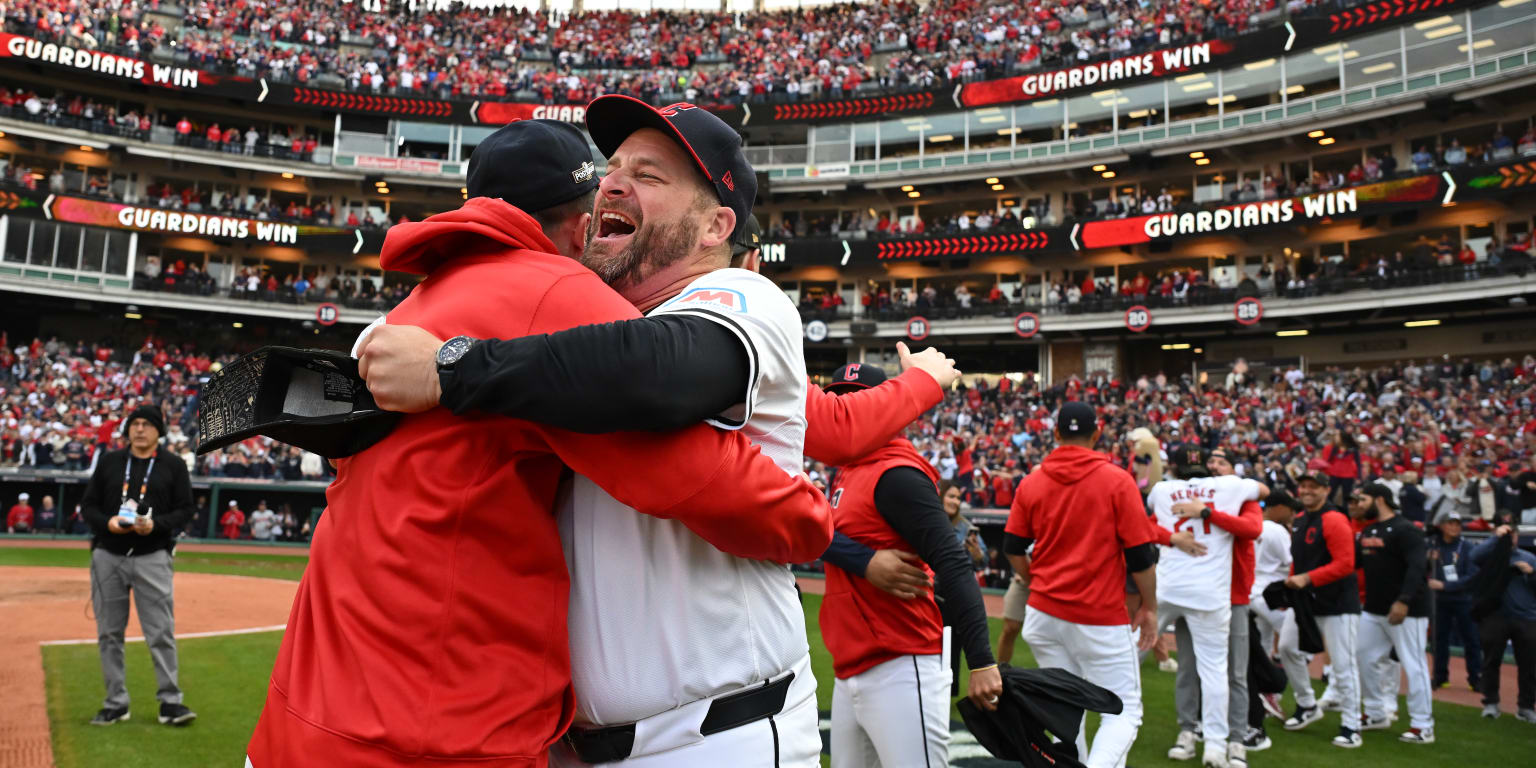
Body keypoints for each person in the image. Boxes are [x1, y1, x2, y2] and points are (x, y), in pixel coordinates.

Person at [245, 118, 834, 768]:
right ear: (579, 222)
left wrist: (452, 368)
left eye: (646, 175)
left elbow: (655, 370)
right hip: (462, 729)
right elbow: (693, 458)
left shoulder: (420, 306)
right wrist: (809, 516)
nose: (615, 185)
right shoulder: (555, 301)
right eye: (611, 172)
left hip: (708, 731)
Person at [816, 363, 1001, 767]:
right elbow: (817, 535)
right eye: (839, 398)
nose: (844, 406)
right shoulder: (850, 468)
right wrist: (864, 561)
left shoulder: (897, 472)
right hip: (853, 662)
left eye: (856, 397)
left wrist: (983, 660)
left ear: (887, 406)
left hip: (901, 659)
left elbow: (953, 561)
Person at [1005, 402, 1158, 768]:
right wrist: (1149, 607)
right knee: (1123, 711)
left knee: (1066, 712)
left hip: (1043, 614)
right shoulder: (1117, 480)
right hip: (1097, 616)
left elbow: (1011, 547)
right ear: (1098, 432)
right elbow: (1140, 557)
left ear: (1056, 433)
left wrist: (1033, 579)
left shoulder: (1033, 480)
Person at [78, 404, 197, 727]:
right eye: (135, 423)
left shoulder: (173, 465)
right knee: (109, 633)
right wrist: (109, 523)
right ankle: (115, 702)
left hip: (153, 556)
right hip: (109, 555)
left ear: (159, 431)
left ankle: (170, 703)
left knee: (160, 632)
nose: (140, 429)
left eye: (146, 424)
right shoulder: (110, 462)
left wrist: (156, 525)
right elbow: (87, 506)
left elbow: (185, 509)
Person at [1148, 443, 1263, 768]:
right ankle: (1190, 731)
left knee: (1235, 673)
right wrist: (1175, 535)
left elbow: (1252, 528)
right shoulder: (1212, 490)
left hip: (1233, 594)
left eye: (1221, 461)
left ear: (1233, 468)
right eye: (1211, 461)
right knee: (1189, 668)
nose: (1214, 466)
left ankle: (1236, 740)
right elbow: (1149, 524)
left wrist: (1207, 513)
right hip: (1206, 592)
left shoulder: (1238, 496)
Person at [1280, 471, 1363, 748]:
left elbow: (1345, 564)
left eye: (1313, 487)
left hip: (1338, 602)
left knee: (1343, 663)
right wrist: (1293, 583)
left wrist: (1307, 578)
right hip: (1306, 598)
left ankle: (1352, 725)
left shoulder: (1334, 519)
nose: (1306, 491)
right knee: (1288, 648)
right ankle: (1307, 704)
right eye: (1303, 486)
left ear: (1326, 490)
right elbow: (1298, 559)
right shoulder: (1302, 519)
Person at [1353, 484, 1435, 743]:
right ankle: (1376, 712)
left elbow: (1417, 568)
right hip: (1375, 609)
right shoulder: (1369, 530)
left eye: (1363, 499)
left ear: (1379, 499)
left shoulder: (1406, 529)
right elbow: (1354, 563)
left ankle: (1423, 725)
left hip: (1407, 609)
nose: (1358, 504)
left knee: (1414, 665)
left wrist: (1404, 600)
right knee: (1362, 656)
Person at [1247, 490, 1299, 748]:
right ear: (1278, 507)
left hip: (1251, 593)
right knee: (1297, 644)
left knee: (1263, 645)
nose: (1292, 514)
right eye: (1290, 508)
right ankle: (1272, 692)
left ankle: (1262, 693)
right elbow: (1291, 561)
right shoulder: (1276, 530)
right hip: (1270, 595)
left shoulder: (1251, 523)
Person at [1471, 523, 1536, 723]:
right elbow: (1473, 556)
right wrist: (1494, 538)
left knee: (1529, 665)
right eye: (1507, 535)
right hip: (1495, 616)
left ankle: (1525, 706)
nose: (1510, 538)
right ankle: (1490, 702)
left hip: (1526, 617)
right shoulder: (1491, 556)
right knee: (1491, 661)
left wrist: (1531, 573)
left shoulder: (1529, 557)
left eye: (1513, 534)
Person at [1428, 510, 1482, 691]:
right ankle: (1440, 676)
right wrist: (1430, 560)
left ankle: (1476, 678)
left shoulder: (1468, 547)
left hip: (1463, 599)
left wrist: (1445, 586)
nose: (1454, 527)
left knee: (1471, 639)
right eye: (1450, 523)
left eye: (1457, 524)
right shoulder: (1434, 545)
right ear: (1442, 526)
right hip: (1440, 600)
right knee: (1439, 639)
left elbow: (1472, 577)